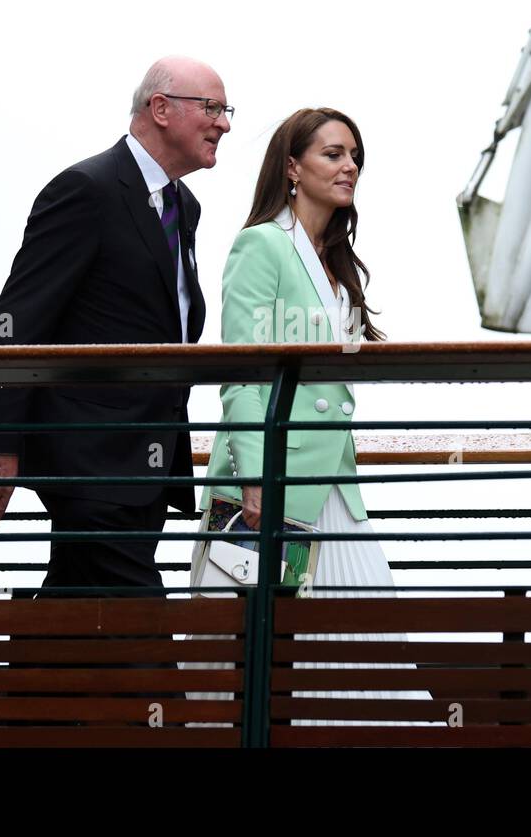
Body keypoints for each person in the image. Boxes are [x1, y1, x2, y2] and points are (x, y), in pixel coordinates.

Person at [183, 107, 435, 726]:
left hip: (332, 486)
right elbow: (243, 372)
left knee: (367, 655)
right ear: (292, 167)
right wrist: (255, 477)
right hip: (273, 481)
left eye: (355, 156)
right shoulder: (262, 245)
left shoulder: (337, 264)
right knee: (242, 670)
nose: (349, 166)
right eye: (333, 154)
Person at [0, 56, 231, 598]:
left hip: (148, 460)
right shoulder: (87, 189)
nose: (224, 123)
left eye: (226, 111)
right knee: (136, 615)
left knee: (83, 611)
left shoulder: (186, 208)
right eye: (212, 108)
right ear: (160, 108)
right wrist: (0, 442)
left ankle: (32, 679)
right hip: (89, 459)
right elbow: (18, 319)